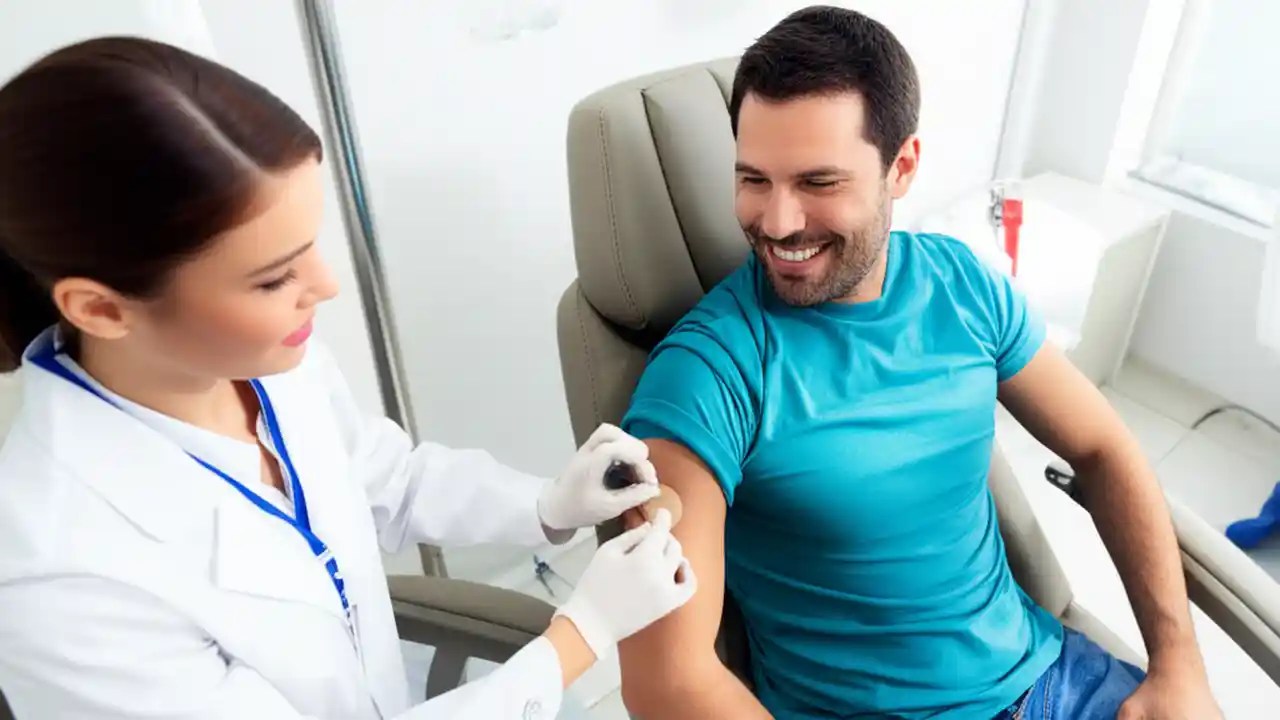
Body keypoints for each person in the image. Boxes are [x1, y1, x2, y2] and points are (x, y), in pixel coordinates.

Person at [0, 37, 695, 719]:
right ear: (101, 308)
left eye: (310, 249)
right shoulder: (57, 574)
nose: (326, 286)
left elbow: (388, 480)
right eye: (274, 278)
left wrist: (547, 506)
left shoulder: (263, 366)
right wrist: (581, 636)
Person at [614, 6, 1221, 720]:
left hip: (1055, 682)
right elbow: (669, 683)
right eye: (754, 179)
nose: (776, 223)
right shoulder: (706, 372)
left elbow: (1103, 445)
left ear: (901, 168)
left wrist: (1179, 663)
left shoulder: (962, 285)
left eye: (817, 182)